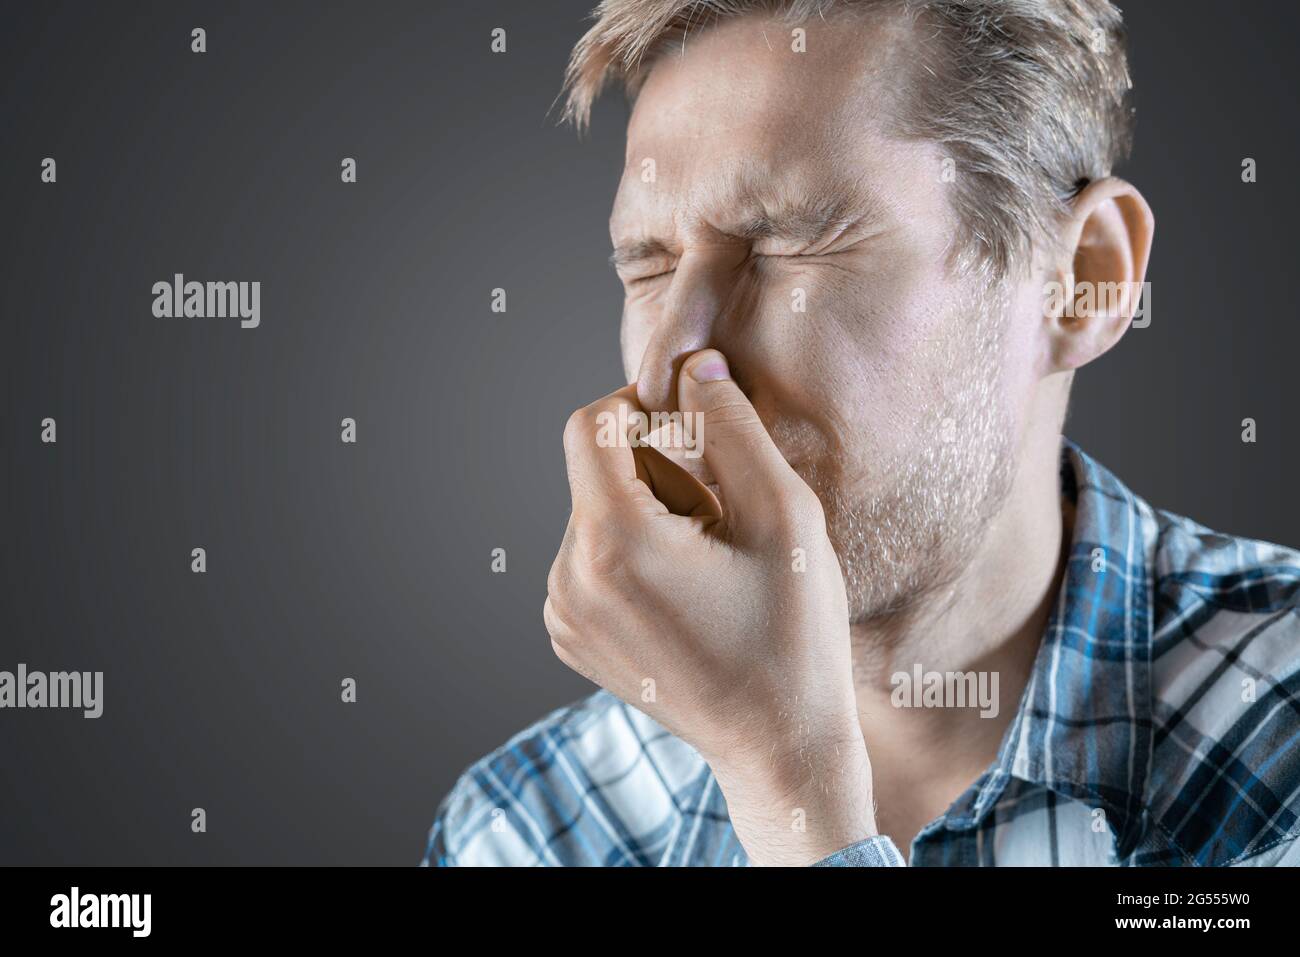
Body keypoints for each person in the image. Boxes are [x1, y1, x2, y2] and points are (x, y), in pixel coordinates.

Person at [424, 0, 1300, 866]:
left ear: (1082, 278)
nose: (667, 365)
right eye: (647, 264)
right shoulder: (530, 831)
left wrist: (788, 789)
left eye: (788, 245)